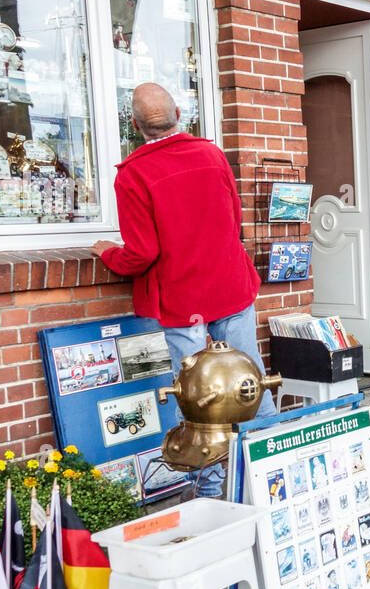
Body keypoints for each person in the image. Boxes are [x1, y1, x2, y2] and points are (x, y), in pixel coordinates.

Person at [91, 82, 276, 495]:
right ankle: (272, 471)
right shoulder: (211, 155)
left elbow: (141, 253)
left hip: (182, 295)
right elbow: (234, 218)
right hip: (228, 282)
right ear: (178, 113)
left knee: (199, 398)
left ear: (136, 126)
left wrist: (108, 255)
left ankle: (214, 488)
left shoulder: (133, 175)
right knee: (252, 380)